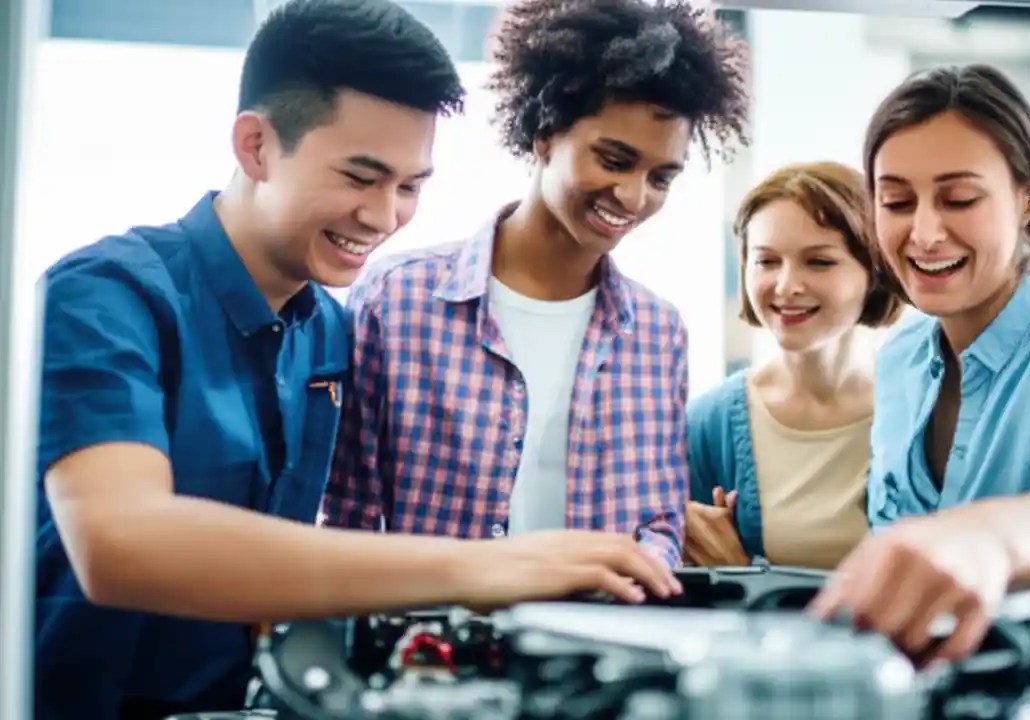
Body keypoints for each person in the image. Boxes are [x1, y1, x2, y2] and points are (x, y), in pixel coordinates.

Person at [35, 3, 679, 719]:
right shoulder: (104, 296)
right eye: (359, 176)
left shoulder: (329, 334)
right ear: (256, 145)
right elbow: (121, 544)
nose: (384, 217)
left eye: (409, 186)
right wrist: (487, 565)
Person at [322, 0, 751, 568]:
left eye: (660, 177)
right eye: (614, 159)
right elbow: (351, 513)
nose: (634, 196)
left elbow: (659, 523)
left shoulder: (657, 332)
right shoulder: (397, 300)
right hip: (430, 644)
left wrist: (647, 560)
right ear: (545, 133)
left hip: (597, 646)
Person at [808, 64, 1030, 665]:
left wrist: (990, 539)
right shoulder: (900, 361)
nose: (923, 233)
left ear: (1027, 196)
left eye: (959, 199)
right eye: (896, 200)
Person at [684, 162, 903, 570]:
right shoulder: (706, 425)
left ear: (875, 270)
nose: (786, 286)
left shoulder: (926, 412)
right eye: (767, 262)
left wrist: (748, 573)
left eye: (819, 262)